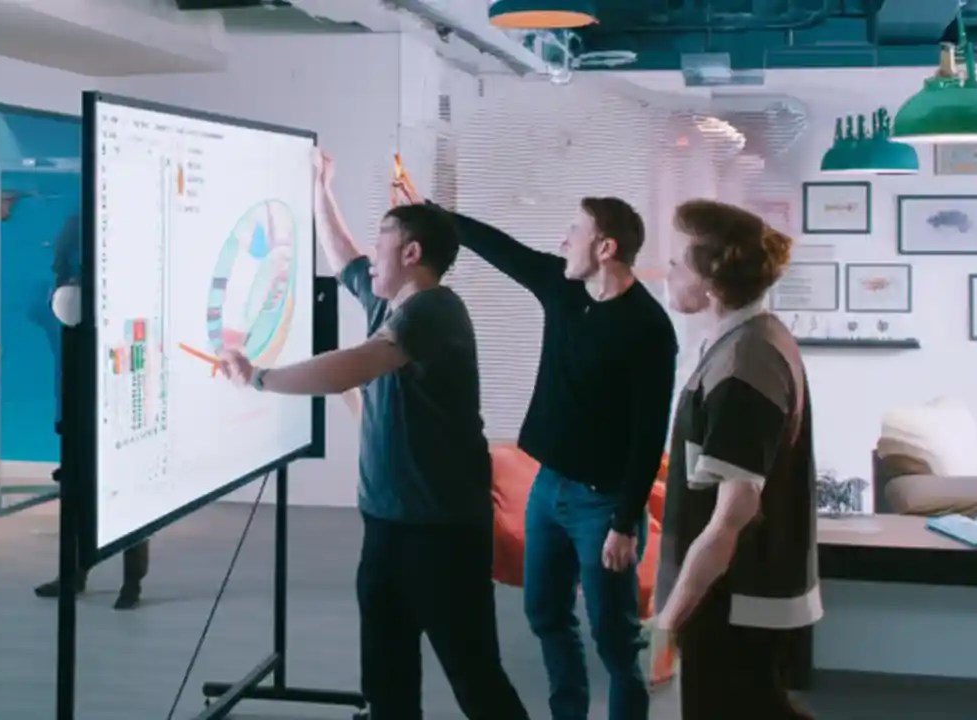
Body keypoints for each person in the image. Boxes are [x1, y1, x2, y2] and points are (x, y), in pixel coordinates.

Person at [215, 150, 529, 720]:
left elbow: (356, 365)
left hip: (442, 532)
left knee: (474, 675)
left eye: (382, 246)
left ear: (412, 255)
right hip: (387, 525)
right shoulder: (388, 300)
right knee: (386, 681)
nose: (371, 258)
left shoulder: (431, 312)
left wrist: (260, 377)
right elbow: (344, 258)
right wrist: (320, 186)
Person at [393, 177, 675, 720]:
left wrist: (623, 523)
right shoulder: (563, 289)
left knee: (615, 641)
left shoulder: (649, 328)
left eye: (576, 232)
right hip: (550, 489)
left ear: (606, 247)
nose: (564, 241)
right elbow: (503, 250)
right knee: (546, 614)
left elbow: (649, 432)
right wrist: (434, 212)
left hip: (605, 504)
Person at [655, 199, 820, 719]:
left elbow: (731, 517)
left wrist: (669, 619)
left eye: (676, 264)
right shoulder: (748, 339)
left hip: (737, 596)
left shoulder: (744, 364)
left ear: (710, 283)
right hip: (741, 593)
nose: (667, 273)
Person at [33, 214, 149, 611]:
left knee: (129, 497)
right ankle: (75, 573)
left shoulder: (129, 302)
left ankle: (131, 583)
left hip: (120, 407)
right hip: (77, 406)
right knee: (77, 496)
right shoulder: (65, 308)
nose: (64, 276)